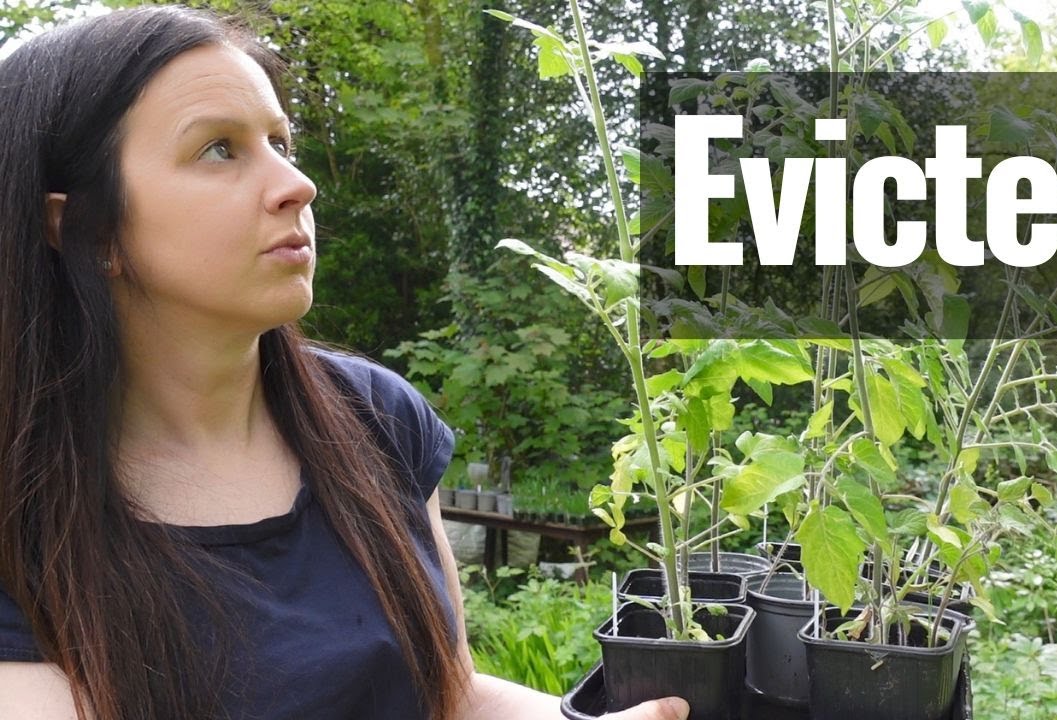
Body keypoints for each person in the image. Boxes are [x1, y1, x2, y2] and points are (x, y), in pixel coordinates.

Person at [0, 6, 687, 720]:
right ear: (83, 228)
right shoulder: (20, 500)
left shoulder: (375, 417)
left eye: (278, 141)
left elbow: (448, 695)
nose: (298, 184)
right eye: (218, 150)